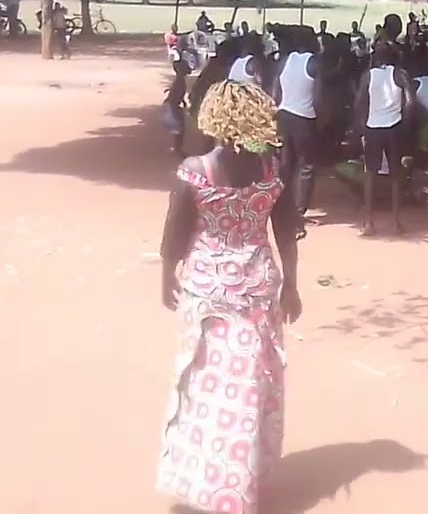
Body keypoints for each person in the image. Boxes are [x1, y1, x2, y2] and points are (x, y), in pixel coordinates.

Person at [156, 80, 303, 514]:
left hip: (207, 292)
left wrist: (166, 275)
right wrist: (291, 284)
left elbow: (175, 232)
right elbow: (286, 232)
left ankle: (208, 482)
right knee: (248, 385)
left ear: (213, 119)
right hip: (258, 288)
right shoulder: (270, 171)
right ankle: (241, 480)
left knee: (205, 382)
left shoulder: (195, 171)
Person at [355, 40, 415, 235]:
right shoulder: (400, 74)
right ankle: (396, 223)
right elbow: (410, 102)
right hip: (394, 127)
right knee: (395, 175)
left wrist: (362, 123)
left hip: (373, 127)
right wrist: (405, 121)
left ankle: (368, 223)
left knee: (370, 174)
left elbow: (358, 102)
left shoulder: (367, 76)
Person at [273, 28, 321, 216]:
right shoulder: (314, 63)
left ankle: (281, 206)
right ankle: (299, 211)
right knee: (306, 165)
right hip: (304, 117)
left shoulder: (285, 60)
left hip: (284, 114)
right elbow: (318, 97)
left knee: (286, 165)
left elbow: (275, 91)